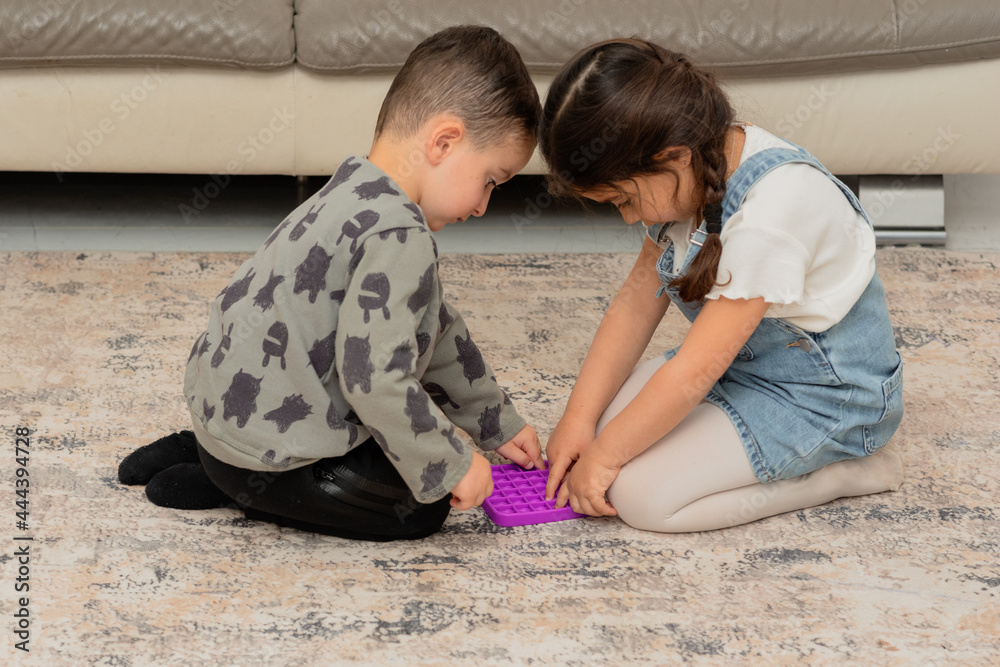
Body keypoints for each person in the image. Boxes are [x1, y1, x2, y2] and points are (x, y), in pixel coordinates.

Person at [118, 25, 545, 541]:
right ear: (443, 142)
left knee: (406, 455)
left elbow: (434, 330)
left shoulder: (353, 187)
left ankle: (210, 455)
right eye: (490, 181)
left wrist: (496, 422)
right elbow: (374, 378)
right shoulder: (400, 236)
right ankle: (240, 489)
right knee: (421, 506)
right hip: (268, 461)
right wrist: (449, 462)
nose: (482, 206)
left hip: (220, 417)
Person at [539, 39, 905, 532]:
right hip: (742, 366)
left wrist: (604, 458)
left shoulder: (770, 217)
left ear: (673, 157)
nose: (628, 219)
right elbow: (632, 309)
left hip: (825, 399)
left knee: (641, 498)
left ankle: (839, 473)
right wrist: (578, 420)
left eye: (624, 199)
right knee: (606, 426)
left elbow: (695, 370)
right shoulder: (691, 167)